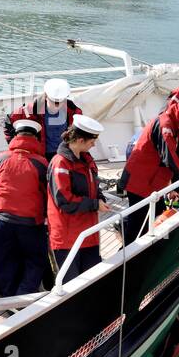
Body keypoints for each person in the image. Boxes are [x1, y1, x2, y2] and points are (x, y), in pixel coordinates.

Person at [117, 97, 179, 245]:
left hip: (152, 185)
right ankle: (126, 261)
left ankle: (154, 249)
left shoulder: (175, 126)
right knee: (136, 226)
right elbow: (170, 158)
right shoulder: (166, 126)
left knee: (159, 220)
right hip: (139, 183)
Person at [0, 118, 50, 295]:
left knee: (5, 259)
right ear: (36, 138)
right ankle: (23, 297)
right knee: (35, 259)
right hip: (30, 221)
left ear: (16, 136)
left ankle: (8, 297)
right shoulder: (41, 163)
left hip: (2, 218)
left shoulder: (1, 157)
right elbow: (46, 192)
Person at [48, 115, 106, 283]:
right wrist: (95, 204)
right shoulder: (60, 164)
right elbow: (64, 200)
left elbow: (94, 185)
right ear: (80, 140)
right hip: (68, 238)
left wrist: (100, 197)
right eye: (91, 141)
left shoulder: (87, 160)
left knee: (93, 280)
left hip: (88, 233)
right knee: (71, 284)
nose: (94, 144)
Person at [4, 78, 80, 158]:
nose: (57, 105)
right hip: (40, 155)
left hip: (63, 153)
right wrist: (14, 143)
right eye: (54, 102)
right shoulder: (31, 110)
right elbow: (9, 121)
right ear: (46, 96)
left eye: (61, 102)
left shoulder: (72, 110)